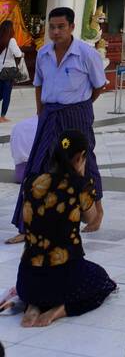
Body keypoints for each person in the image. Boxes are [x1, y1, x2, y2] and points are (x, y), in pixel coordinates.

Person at [8, 8, 107, 245]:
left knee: (85, 162)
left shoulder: (86, 54)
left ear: (72, 27)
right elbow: (39, 85)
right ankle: (26, 224)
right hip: (50, 113)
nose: (55, 31)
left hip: (76, 112)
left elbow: (99, 86)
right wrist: (42, 113)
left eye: (61, 26)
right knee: (37, 163)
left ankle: (96, 212)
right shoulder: (43, 54)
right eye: (52, 27)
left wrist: (80, 107)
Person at [14, 129, 116, 327]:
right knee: (102, 281)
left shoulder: (31, 181)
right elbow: (91, 219)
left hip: (27, 280)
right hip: (66, 277)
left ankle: (32, 305)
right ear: (81, 157)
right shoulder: (80, 185)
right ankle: (58, 310)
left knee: (39, 280)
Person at [0, 20, 24, 121]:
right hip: (8, 72)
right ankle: (2, 116)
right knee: (6, 95)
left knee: (0, 93)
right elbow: (18, 54)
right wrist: (22, 54)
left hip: (0, 70)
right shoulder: (11, 41)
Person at [10, 115, 38, 184]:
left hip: (20, 174)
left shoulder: (18, 125)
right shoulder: (49, 125)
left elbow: (13, 152)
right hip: (41, 175)